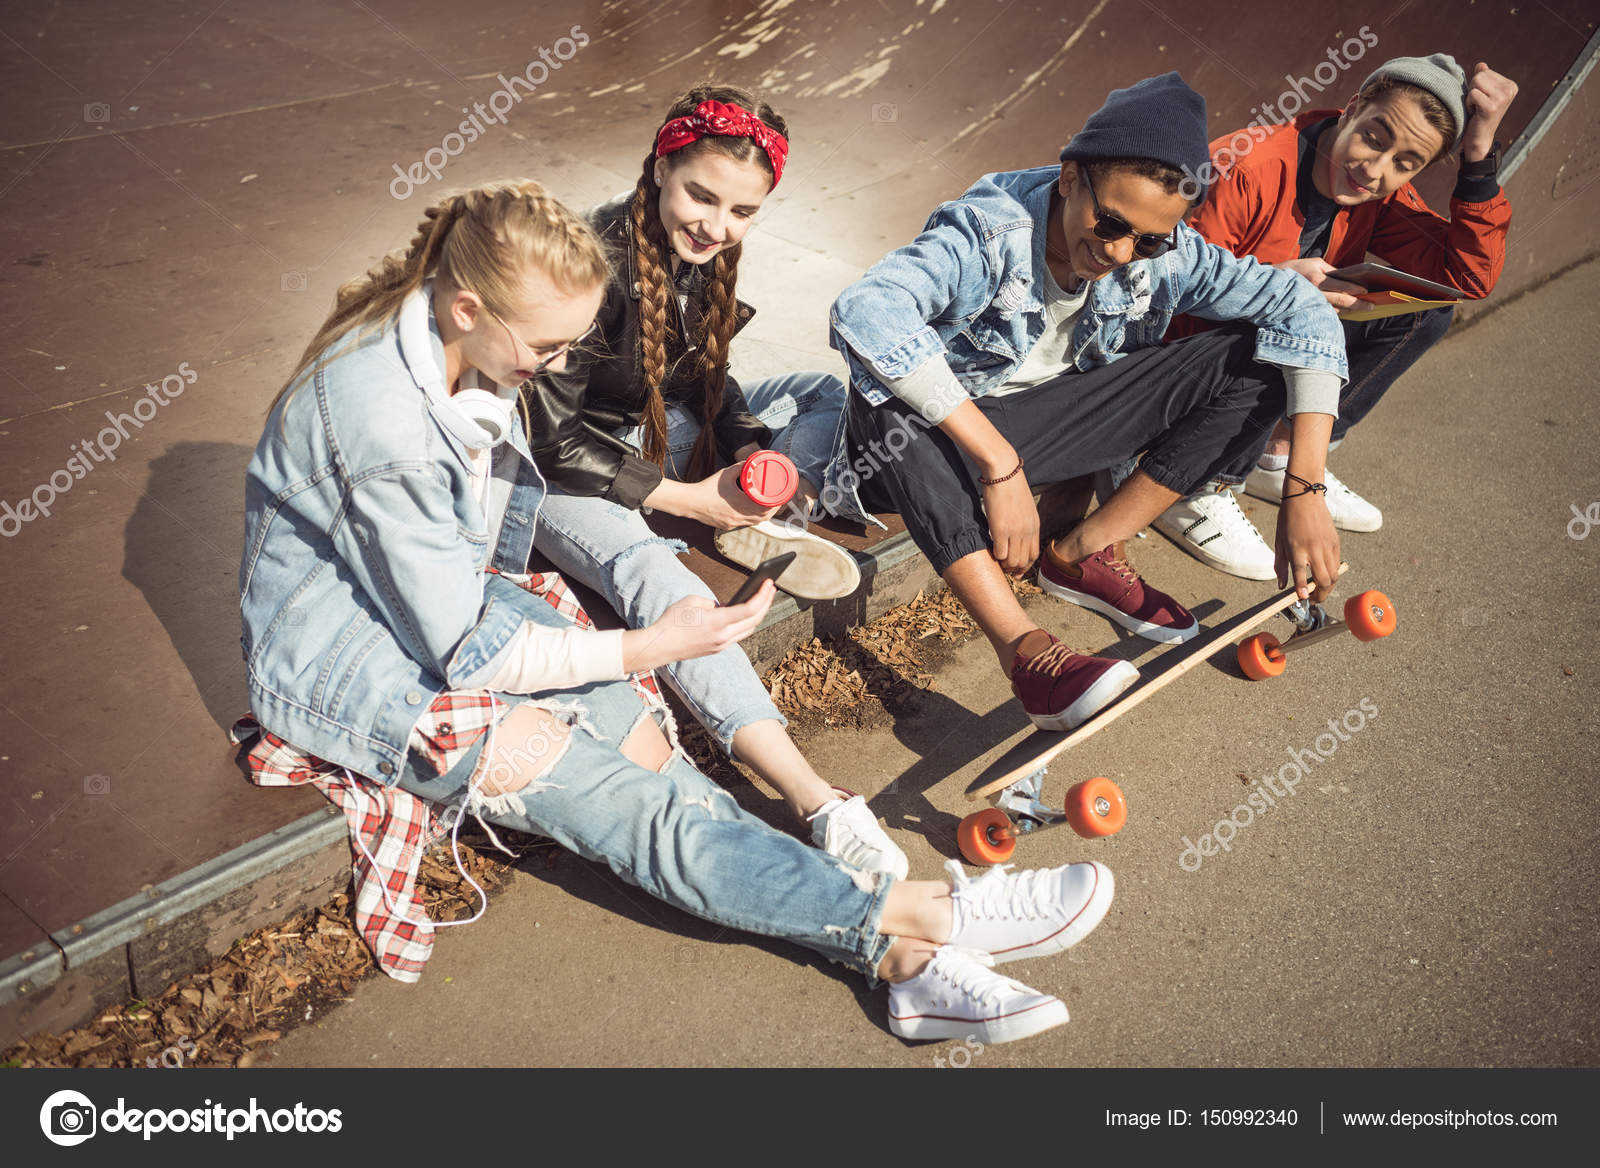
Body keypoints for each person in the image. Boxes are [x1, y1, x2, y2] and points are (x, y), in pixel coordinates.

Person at [237, 179, 1114, 1044]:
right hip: (355, 667)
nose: (552, 369)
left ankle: (905, 967)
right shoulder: (385, 423)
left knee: (651, 756)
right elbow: (471, 655)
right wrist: (649, 644)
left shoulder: (450, 339)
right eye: (547, 347)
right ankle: (927, 913)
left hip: (445, 604)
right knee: (628, 808)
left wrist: (643, 638)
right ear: (468, 308)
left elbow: (458, 580)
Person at [828, 73, 1347, 733]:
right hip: (923, 455)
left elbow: (1303, 310)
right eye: (1112, 225)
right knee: (885, 391)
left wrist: (1306, 488)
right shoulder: (990, 230)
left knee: (1255, 355)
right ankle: (1026, 654)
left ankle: (1081, 551)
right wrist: (998, 463)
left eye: (1151, 240)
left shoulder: (1166, 255)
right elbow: (866, 311)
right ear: (1071, 177)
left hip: (1045, 435)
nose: (1121, 254)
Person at [519, 84, 908, 878]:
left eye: (742, 212)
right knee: (647, 569)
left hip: (658, 427)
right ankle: (818, 801)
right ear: (662, 165)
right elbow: (549, 436)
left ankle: (765, 513)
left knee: (827, 393)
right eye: (701, 195)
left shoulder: (702, 252)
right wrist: (689, 497)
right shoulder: (591, 261)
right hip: (560, 466)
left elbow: (709, 379)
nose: (716, 225)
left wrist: (750, 456)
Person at [1153, 55, 1517, 578]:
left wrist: (1479, 159)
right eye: (1375, 136)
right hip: (1170, 362)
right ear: (1352, 109)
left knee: (1424, 311)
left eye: (1406, 162)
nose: (1375, 168)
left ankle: (1278, 456)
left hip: (1250, 346)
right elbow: (1162, 290)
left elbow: (1465, 278)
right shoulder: (1249, 166)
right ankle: (1188, 484)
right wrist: (1275, 286)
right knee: (1290, 325)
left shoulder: (1379, 194)